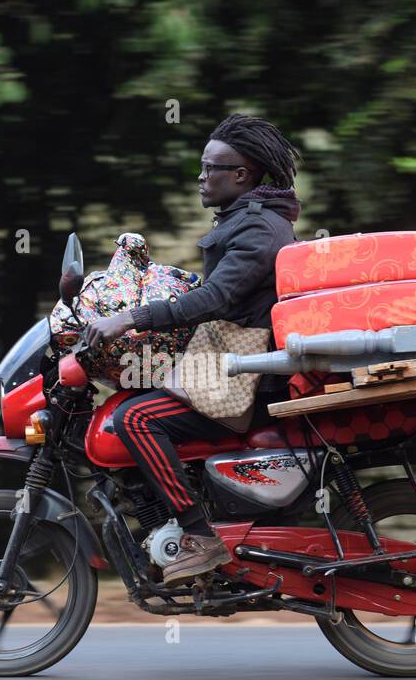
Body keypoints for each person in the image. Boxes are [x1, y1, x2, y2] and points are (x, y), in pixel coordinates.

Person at [81, 113, 302, 584]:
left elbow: (216, 298)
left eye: (210, 168)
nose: (201, 178)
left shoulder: (259, 229)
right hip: (230, 362)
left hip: (250, 376)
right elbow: (213, 290)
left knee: (135, 418)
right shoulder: (247, 220)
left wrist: (131, 318)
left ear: (241, 175)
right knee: (135, 397)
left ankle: (199, 536)